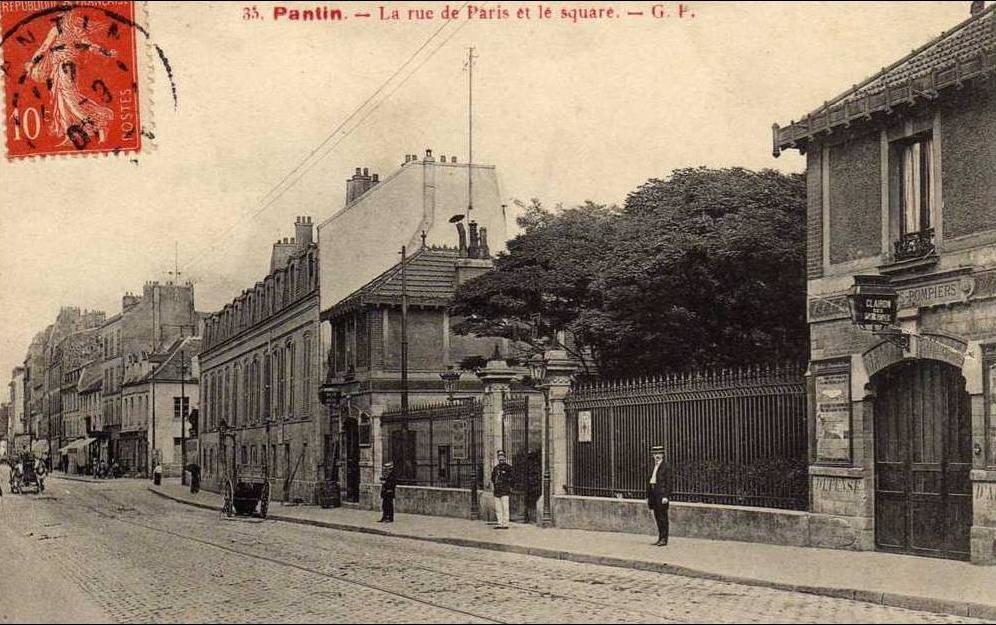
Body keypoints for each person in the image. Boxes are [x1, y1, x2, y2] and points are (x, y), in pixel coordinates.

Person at [647, 445, 673, 546]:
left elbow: (669, 483)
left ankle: (664, 539)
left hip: (661, 495)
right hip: (653, 494)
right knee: (657, 517)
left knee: (663, 517)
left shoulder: (666, 467)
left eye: (659, 454)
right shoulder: (653, 466)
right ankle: (660, 538)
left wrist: (666, 496)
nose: (657, 456)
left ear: (662, 455)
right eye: (655, 454)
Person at [491, 450, 513, 530]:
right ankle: (499, 523)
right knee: (498, 508)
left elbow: (511, 478)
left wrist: (508, 486)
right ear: (498, 458)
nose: (501, 458)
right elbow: (493, 478)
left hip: (505, 490)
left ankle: (505, 523)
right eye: (499, 456)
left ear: (504, 457)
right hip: (497, 491)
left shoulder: (508, 468)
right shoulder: (496, 468)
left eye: (502, 456)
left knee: (505, 507)